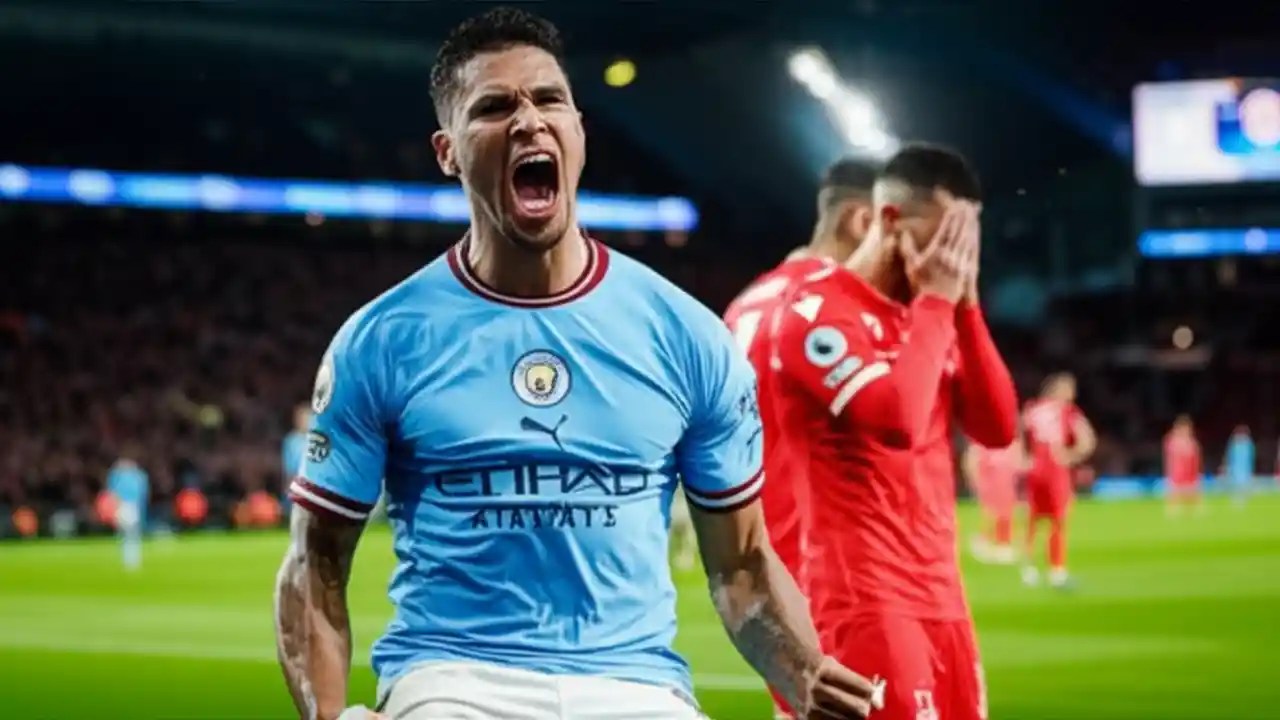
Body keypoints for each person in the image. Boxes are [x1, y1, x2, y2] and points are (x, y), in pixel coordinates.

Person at [272, 9, 882, 720]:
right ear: (448, 152)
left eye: (549, 100)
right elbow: (315, 566)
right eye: (495, 107)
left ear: (579, 132)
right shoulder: (381, 340)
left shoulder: (687, 334)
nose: (529, 121)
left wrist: (805, 671)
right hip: (454, 682)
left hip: (639, 688)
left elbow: (743, 566)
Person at [766, 144, 1018, 720]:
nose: (954, 259)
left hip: (945, 604)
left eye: (966, 242)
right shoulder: (816, 311)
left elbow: (998, 426)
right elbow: (895, 419)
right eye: (944, 239)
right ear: (888, 221)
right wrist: (938, 303)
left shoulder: (931, 315)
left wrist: (967, 308)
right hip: (866, 606)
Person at [724, 156, 879, 718]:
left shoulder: (745, 304)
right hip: (837, 576)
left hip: (765, 577)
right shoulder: (832, 307)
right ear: (863, 222)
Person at [1021, 373, 1095, 589]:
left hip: (1036, 468)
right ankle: (1056, 570)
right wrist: (1072, 455)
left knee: (1033, 520)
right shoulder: (1067, 412)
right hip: (1055, 469)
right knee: (1057, 520)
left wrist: (1024, 458)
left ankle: (1030, 568)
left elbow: (1018, 434)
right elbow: (1087, 438)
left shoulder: (1032, 409)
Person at [962, 434, 1025, 565]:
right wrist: (975, 481)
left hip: (1006, 483)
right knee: (991, 514)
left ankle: (1003, 544)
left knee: (1006, 513)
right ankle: (984, 541)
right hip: (990, 484)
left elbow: (1018, 460)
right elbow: (971, 460)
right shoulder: (980, 443)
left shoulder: (1011, 441)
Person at [106, 443, 149, 571]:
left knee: (127, 533)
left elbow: (111, 489)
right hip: (127, 504)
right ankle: (131, 560)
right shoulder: (135, 473)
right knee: (131, 533)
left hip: (124, 504)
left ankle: (129, 559)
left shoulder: (119, 472)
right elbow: (142, 490)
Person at [1164, 415, 1203, 516]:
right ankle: (1173, 512)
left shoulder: (1192, 441)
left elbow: (1196, 456)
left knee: (1193, 496)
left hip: (1190, 473)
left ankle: (1194, 511)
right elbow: (1172, 456)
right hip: (1178, 473)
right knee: (1175, 496)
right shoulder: (1173, 440)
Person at [280, 404, 310, 512]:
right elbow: (288, 467)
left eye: (307, 418)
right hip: (296, 481)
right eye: (301, 418)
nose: (304, 421)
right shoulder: (291, 440)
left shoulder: (316, 439)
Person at [1223, 425, 1255, 508]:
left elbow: (1250, 459)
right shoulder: (1234, 445)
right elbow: (1229, 458)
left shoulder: (1248, 445)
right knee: (1236, 488)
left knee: (1243, 488)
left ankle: (1242, 502)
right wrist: (1227, 469)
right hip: (1235, 472)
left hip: (1244, 472)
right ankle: (1237, 501)